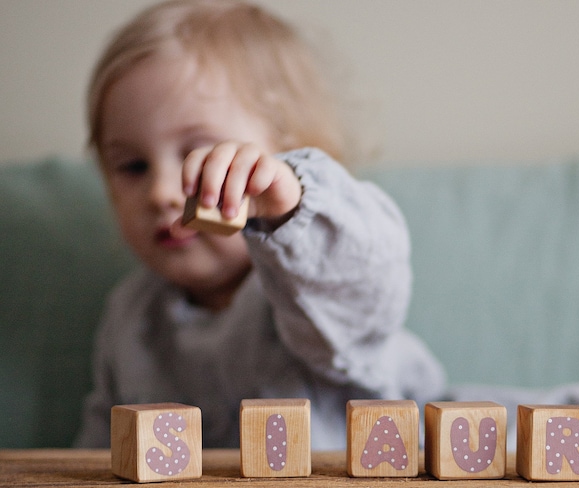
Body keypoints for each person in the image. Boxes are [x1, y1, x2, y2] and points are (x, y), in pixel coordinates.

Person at [75, 0, 447, 449]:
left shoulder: (304, 287)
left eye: (202, 156)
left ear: (285, 153)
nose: (160, 192)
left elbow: (365, 289)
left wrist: (294, 204)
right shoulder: (130, 316)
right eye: (133, 166)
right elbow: (103, 445)